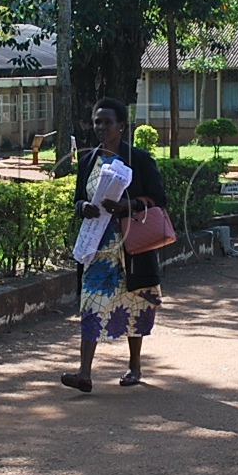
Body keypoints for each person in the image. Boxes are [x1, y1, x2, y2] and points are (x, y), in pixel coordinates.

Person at [62, 98, 168, 392]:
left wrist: (127, 205)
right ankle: (84, 373)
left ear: (121, 126)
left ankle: (134, 366)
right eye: (97, 121)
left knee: (135, 304)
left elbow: (159, 200)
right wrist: (83, 206)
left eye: (107, 122)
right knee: (90, 304)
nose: (101, 127)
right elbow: (77, 200)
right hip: (97, 250)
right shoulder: (87, 160)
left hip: (132, 248)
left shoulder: (139, 160)